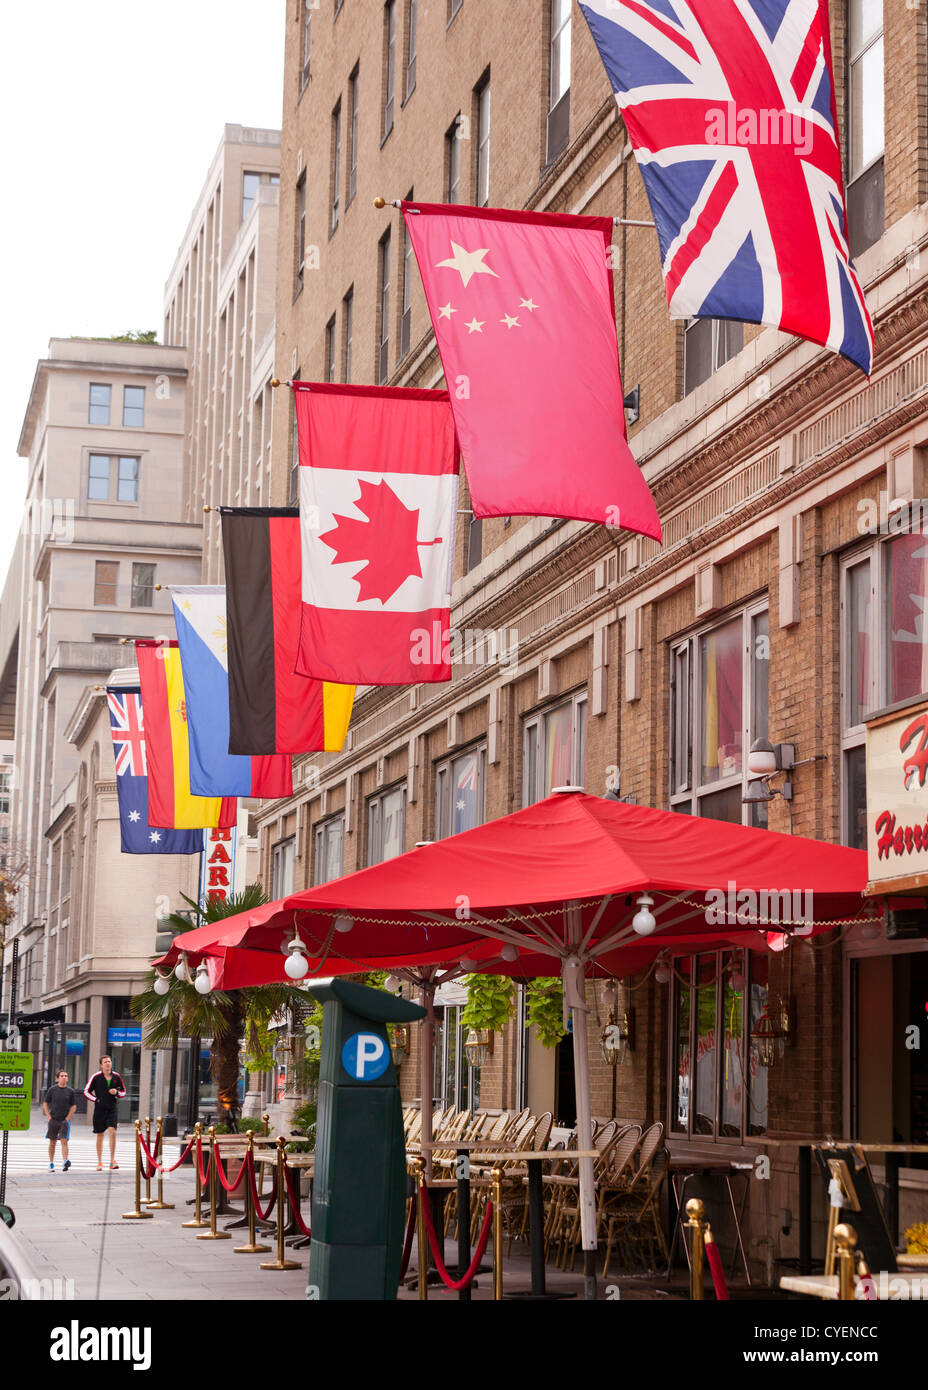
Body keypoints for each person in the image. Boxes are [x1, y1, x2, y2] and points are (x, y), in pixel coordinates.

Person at [83, 1055, 126, 1170]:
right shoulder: (96, 1077)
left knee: (112, 1131)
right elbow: (86, 1091)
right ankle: (99, 1162)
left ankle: (112, 1160)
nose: (108, 1063)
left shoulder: (117, 1076)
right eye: (105, 1062)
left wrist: (116, 1092)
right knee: (100, 1134)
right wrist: (96, 1099)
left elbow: (123, 1092)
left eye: (109, 1061)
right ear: (101, 1065)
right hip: (99, 1109)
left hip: (112, 1108)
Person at [42, 1069, 76, 1172]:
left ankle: (65, 1161)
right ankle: (51, 1163)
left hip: (64, 1120)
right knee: (52, 1142)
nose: (64, 1077)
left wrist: (67, 1118)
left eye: (66, 1076)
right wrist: (49, 1117)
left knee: (64, 1141)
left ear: (68, 1078)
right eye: (62, 1076)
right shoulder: (52, 1090)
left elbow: (73, 1106)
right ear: (57, 1078)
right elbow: (45, 1103)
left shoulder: (70, 1091)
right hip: (53, 1119)